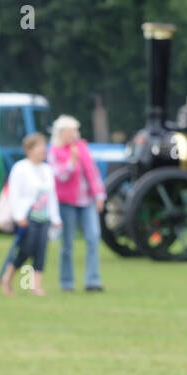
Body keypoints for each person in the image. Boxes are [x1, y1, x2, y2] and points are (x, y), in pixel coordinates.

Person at [48, 115, 106, 292]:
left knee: (93, 237)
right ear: (61, 133)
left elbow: (93, 173)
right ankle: (67, 283)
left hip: (86, 201)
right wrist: (71, 161)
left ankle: (92, 281)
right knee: (67, 243)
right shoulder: (55, 152)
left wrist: (99, 195)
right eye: (70, 131)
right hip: (66, 203)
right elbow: (60, 176)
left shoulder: (83, 148)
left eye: (75, 130)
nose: (74, 134)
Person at [0, 132, 60, 296]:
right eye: (39, 146)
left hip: (44, 218)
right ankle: (7, 278)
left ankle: (36, 286)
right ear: (29, 149)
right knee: (25, 249)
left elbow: (51, 196)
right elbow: (14, 194)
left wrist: (55, 218)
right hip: (28, 217)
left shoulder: (47, 169)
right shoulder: (20, 168)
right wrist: (19, 216)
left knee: (41, 250)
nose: (43, 150)